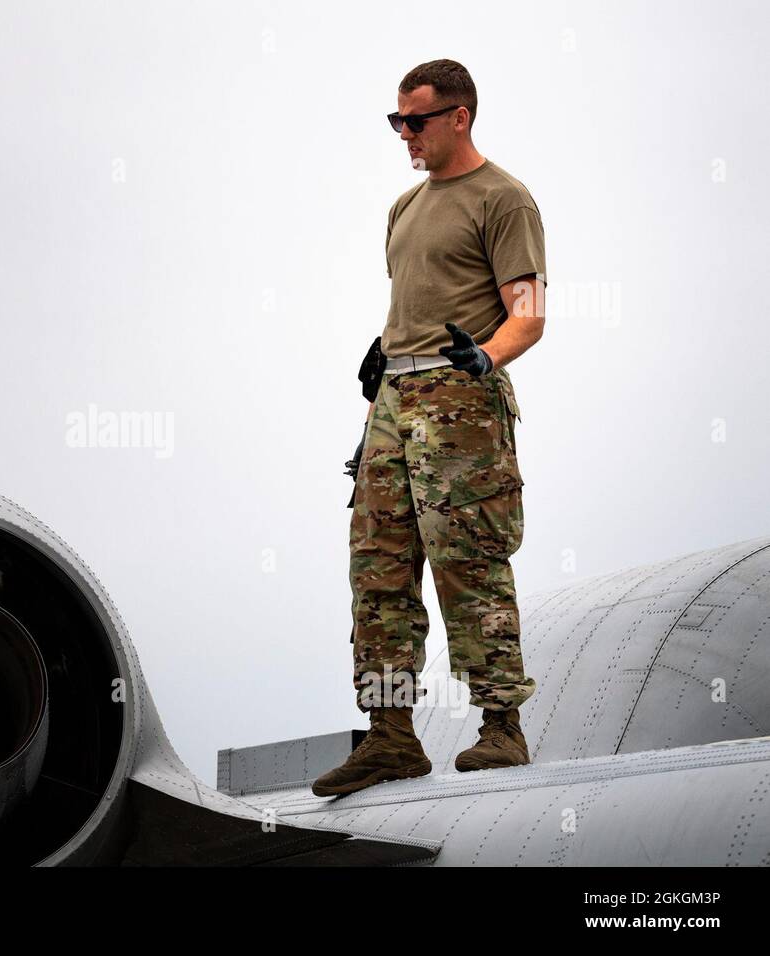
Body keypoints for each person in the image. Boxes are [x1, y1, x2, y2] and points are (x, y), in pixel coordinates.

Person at [313, 59, 546, 798]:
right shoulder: (404, 208)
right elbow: (415, 301)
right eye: (397, 121)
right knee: (377, 566)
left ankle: (500, 726)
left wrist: (488, 357)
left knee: (467, 559)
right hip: (394, 397)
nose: (405, 134)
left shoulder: (504, 199)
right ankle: (390, 736)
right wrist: (384, 363)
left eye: (416, 120)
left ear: (459, 116)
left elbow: (528, 313)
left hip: (462, 398)